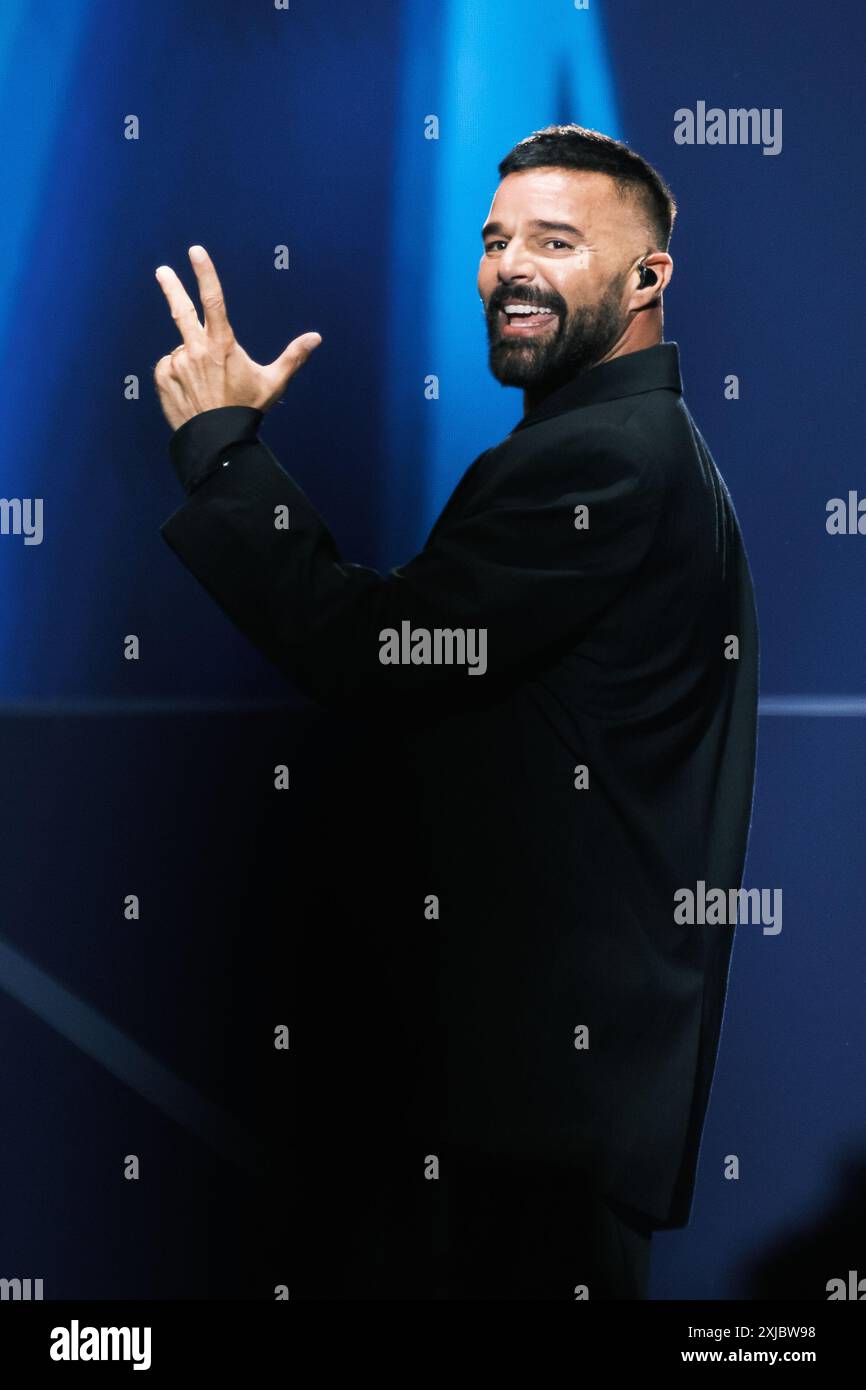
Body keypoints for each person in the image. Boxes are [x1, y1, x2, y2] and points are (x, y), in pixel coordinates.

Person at [153, 124, 759, 1300]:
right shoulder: (628, 451)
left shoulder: (606, 459)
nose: (509, 267)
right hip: (527, 1131)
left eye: (555, 240)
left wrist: (224, 455)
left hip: (512, 1137)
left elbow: (378, 654)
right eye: (494, 241)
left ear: (649, 277)